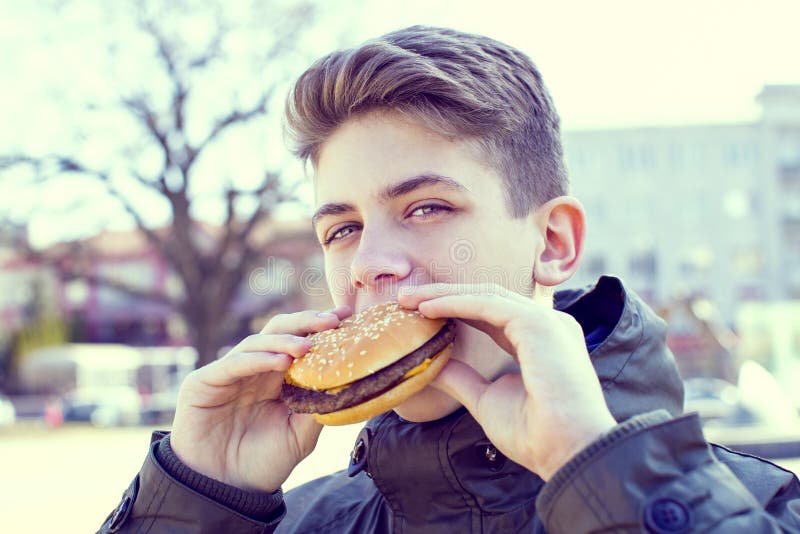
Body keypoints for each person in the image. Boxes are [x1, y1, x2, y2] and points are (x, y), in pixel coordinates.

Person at [99, 26, 800, 533]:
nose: (370, 264)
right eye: (342, 229)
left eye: (427, 207)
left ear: (552, 243)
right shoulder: (297, 521)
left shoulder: (762, 510)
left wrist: (601, 470)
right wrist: (196, 500)